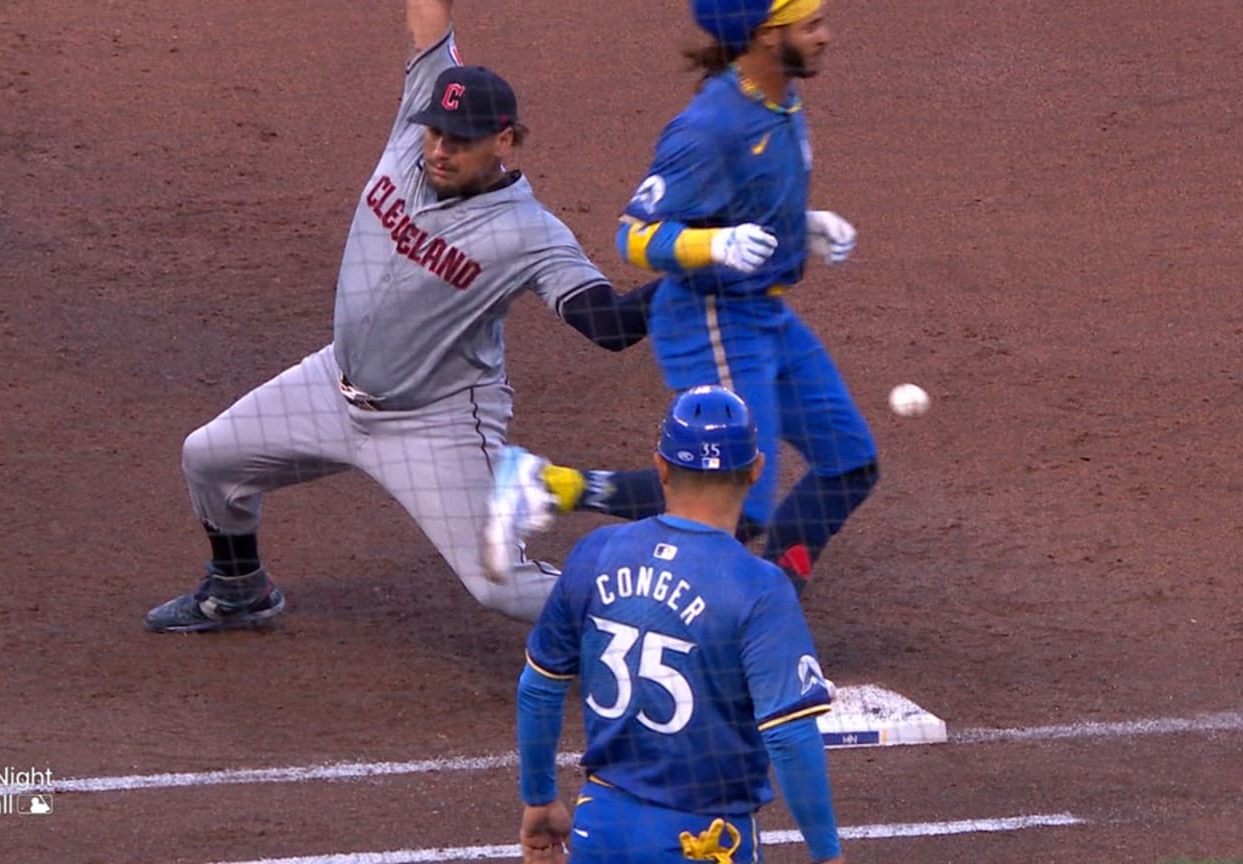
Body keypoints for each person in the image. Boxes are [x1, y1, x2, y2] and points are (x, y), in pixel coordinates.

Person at [144, 0, 659, 633]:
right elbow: (427, 20)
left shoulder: (529, 233)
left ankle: (657, 619)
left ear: (503, 140)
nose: (440, 150)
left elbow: (609, 326)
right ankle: (240, 588)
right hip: (331, 388)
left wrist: (699, 277)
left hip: (432, 422)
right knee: (208, 459)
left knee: (499, 586)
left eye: (461, 140)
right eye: (435, 132)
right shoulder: (417, 135)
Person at [486, 0, 878, 599]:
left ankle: (774, 595)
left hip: (764, 313)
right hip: (711, 317)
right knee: (736, 498)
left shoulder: (782, 100)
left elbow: (748, 198)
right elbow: (635, 235)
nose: (825, 36)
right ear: (766, 36)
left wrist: (801, 228)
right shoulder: (710, 126)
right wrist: (714, 245)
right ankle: (549, 486)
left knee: (849, 461)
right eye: (810, 25)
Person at [516, 385, 844, 864]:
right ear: (756, 470)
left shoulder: (596, 552)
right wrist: (827, 854)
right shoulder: (758, 587)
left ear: (662, 466)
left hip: (601, 826)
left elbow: (539, 689)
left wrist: (540, 798)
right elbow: (789, 736)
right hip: (703, 840)